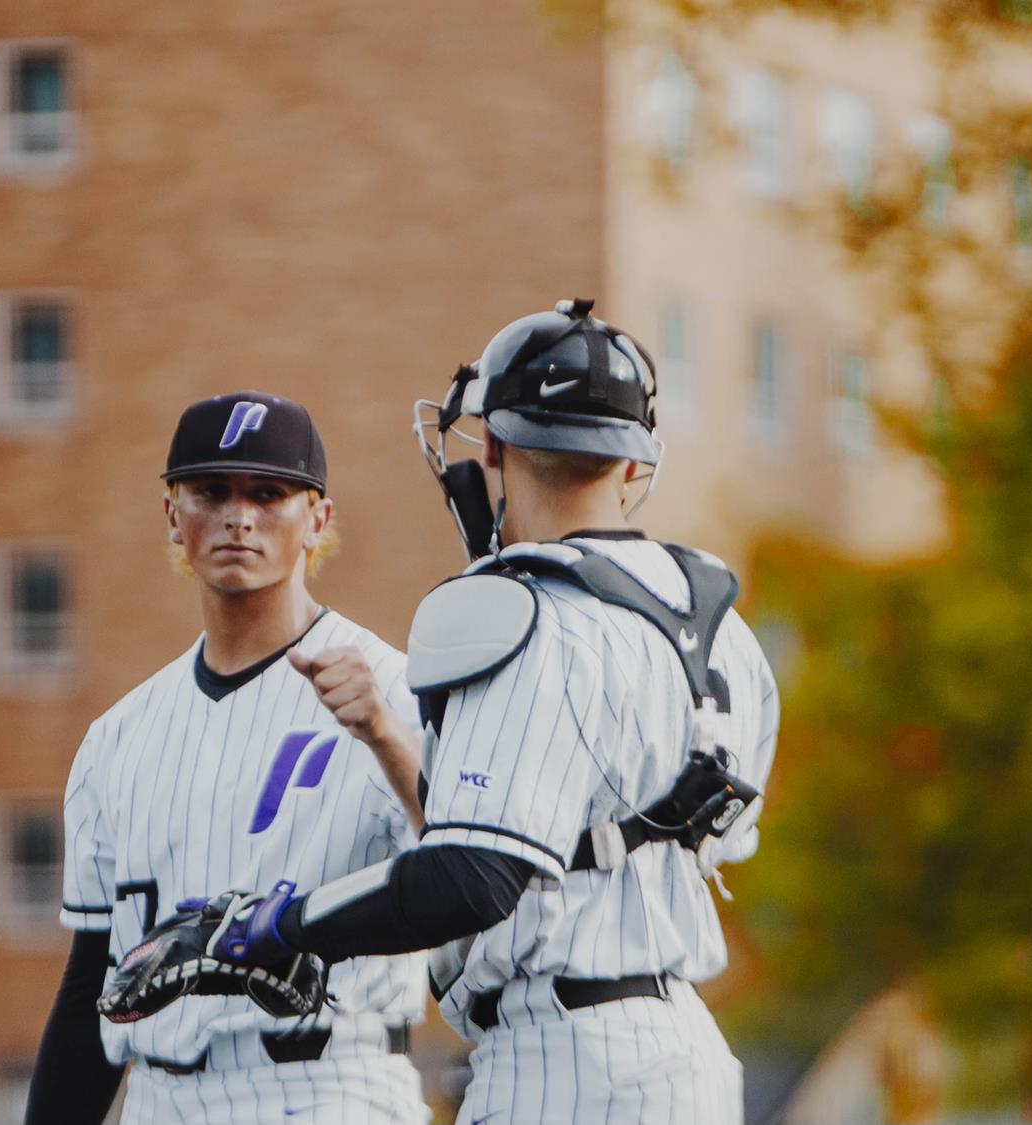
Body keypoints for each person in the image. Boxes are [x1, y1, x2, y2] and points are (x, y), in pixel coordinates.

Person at [174, 300, 780, 1124]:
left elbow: (474, 874)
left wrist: (273, 925)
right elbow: (713, 842)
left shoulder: (519, 610)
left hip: (564, 1061)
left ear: (491, 443)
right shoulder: (723, 624)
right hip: (689, 1059)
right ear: (634, 462)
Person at [24, 392, 432, 1125]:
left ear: (319, 519)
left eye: (268, 493)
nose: (239, 516)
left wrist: (385, 732)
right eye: (212, 491)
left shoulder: (393, 688)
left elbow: (471, 867)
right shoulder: (117, 737)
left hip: (330, 1084)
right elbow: (94, 973)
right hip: (160, 1093)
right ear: (172, 515)